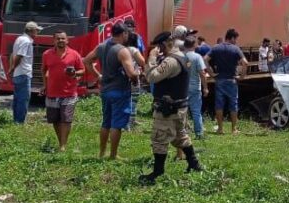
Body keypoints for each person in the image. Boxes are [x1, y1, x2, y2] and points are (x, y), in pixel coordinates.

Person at [139, 31, 202, 185]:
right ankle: (194, 164)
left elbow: (151, 77)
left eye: (158, 46)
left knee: (159, 139)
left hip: (168, 110)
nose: (157, 49)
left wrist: (152, 57)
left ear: (165, 44)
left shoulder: (171, 61)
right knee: (180, 136)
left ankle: (158, 172)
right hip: (179, 108)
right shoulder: (182, 57)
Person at [83, 23, 140, 159]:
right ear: (124, 34)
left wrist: (98, 76)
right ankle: (113, 155)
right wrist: (137, 74)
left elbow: (86, 61)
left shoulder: (101, 46)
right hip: (120, 90)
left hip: (105, 90)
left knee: (106, 123)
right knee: (117, 125)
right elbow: (131, 74)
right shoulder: (122, 50)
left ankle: (102, 152)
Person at [42, 31, 84, 152]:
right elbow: (43, 70)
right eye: (58, 38)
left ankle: (63, 146)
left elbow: (82, 70)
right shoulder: (47, 54)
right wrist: (45, 86)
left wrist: (75, 73)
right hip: (52, 92)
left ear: (67, 40)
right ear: (53, 40)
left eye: (63, 38)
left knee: (66, 119)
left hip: (69, 93)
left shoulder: (74, 54)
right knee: (55, 120)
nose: (60, 40)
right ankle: (61, 141)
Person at [207, 28, 248, 135]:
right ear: (232, 38)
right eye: (236, 39)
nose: (236, 41)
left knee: (219, 104)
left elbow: (204, 59)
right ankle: (234, 129)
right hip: (232, 80)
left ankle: (220, 129)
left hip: (219, 79)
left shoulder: (216, 48)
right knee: (233, 104)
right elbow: (245, 63)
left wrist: (211, 73)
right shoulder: (236, 49)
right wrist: (242, 76)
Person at [9, 21, 41, 124]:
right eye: (36, 30)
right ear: (31, 30)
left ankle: (16, 121)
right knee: (24, 99)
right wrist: (13, 68)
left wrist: (12, 68)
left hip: (18, 73)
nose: (37, 33)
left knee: (17, 99)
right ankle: (20, 122)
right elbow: (20, 55)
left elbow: (12, 54)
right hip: (24, 73)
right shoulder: (26, 41)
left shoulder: (19, 38)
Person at [183, 37, 208, 140]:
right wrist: (205, 88)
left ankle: (183, 132)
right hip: (195, 88)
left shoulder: (181, 56)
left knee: (182, 111)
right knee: (196, 112)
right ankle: (199, 133)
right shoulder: (197, 57)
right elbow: (202, 73)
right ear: (193, 45)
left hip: (182, 88)